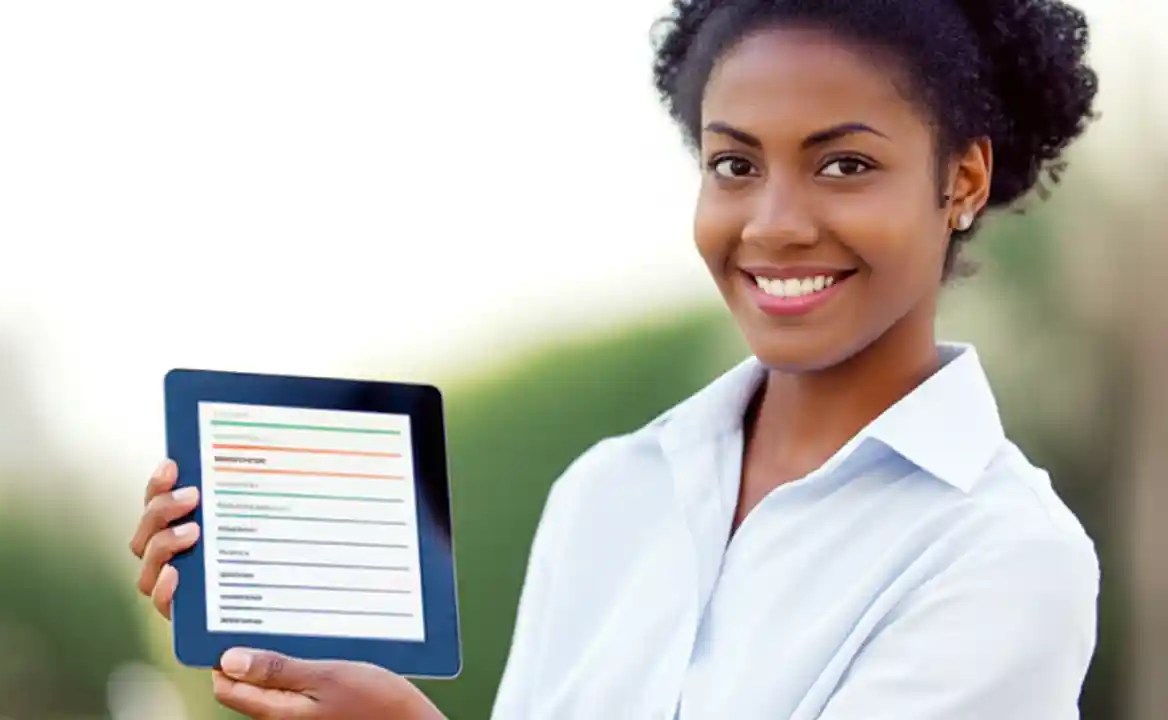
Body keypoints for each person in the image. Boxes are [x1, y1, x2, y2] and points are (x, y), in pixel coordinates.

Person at [129, 0, 1101, 716]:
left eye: (842, 164)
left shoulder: (1006, 559)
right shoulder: (606, 493)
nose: (771, 224)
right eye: (733, 165)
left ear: (960, 179)